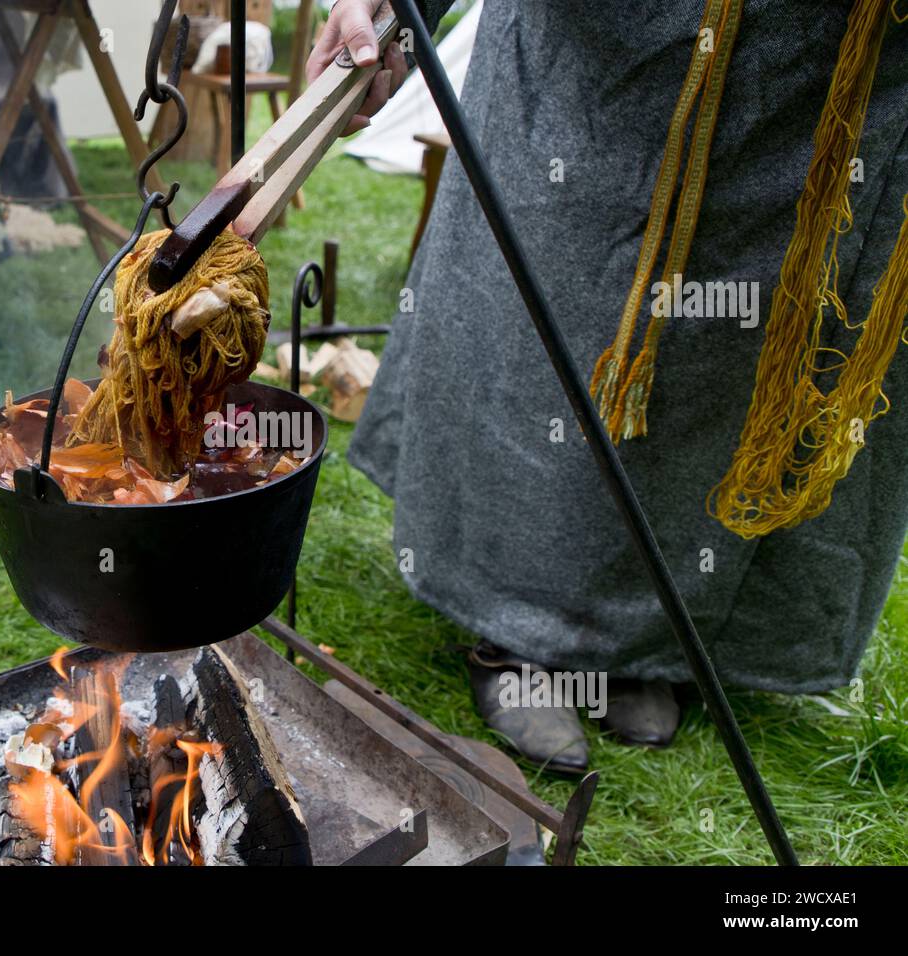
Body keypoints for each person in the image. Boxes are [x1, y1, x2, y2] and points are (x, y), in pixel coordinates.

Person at [307, 0, 908, 773]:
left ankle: (637, 645)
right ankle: (515, 629)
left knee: (725, 357)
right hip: (608, 44)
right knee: (555, 312)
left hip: (822, 64)